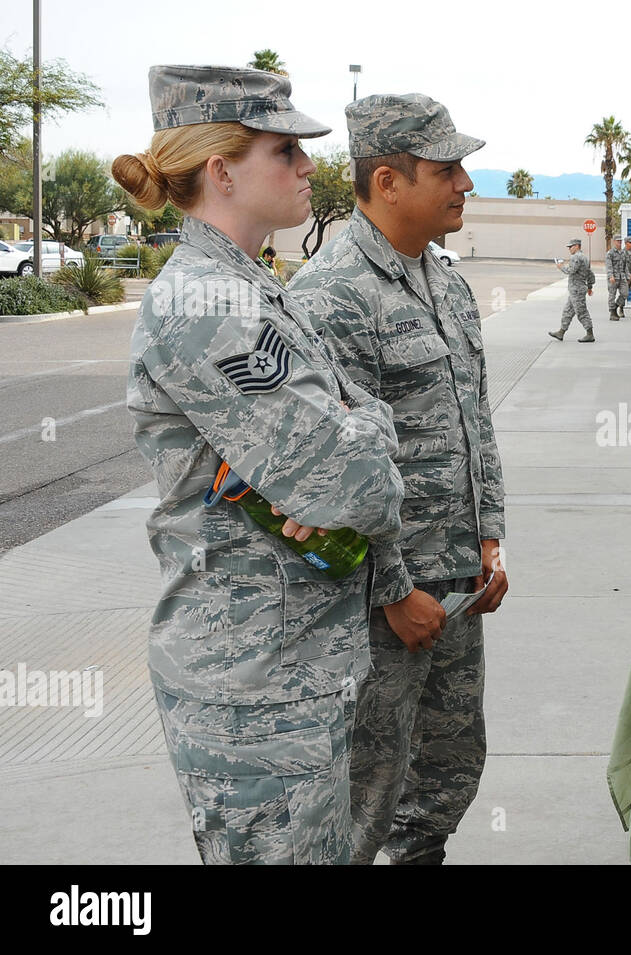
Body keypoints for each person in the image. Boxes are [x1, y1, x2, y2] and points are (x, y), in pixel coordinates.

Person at [114, 64, 405, 864]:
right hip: (253, 689)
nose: (310, 166)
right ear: (222, 171)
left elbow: (358, 442)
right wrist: (358, 447)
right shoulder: (210, 302)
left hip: (296, 670)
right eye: (286, 150)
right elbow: (355, 482)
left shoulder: (250, 287)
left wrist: (359, 434)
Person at [290, 93, 508, 866]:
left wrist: (491, 535)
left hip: (456, 582)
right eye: (447, 169)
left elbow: (474, 418)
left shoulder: (445, 283)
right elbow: (326, 476)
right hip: (381, 606)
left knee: (448, 770)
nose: (465, 184)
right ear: (388, 180)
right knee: (367, 790)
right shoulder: (331, 295)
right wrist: (390, 590)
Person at [550, 238, 595, 341]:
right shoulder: (585, 257)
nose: (569, 249)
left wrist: (560, 267)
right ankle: (561, 332)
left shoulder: (576, 257)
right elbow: (590, 274)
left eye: (570, 247)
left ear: (576, 246)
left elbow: (571, 270)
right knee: (568, 311)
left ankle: (590, 334)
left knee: (581, 312)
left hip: (577, 290)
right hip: (577, 289)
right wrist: (590, 286)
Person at [605, 234, 627, 320]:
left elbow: (625, 266)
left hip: (622, 277)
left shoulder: (623, 253)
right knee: (612, 295)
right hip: (613, 278)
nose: (619, 243)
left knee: (625, 293)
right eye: (618, 241)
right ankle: (612, 313)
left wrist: (627, 275)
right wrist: (611, 276)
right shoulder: (610, 253)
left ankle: (615, 307)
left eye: (620, 241)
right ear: (614, 242)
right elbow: (608, 266)